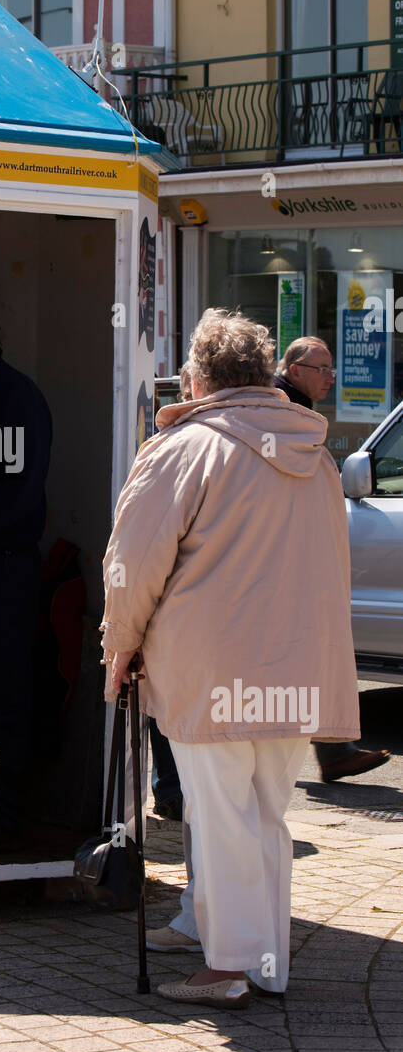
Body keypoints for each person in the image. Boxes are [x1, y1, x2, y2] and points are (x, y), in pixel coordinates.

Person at [101, 309, 360, 1009]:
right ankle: (264, 961)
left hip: (211, 667)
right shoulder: (317, 456)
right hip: (295, 667)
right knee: (267, 814)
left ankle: (229, 967)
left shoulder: (185, 447)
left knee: (219, 819)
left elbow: (132, 564)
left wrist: (119, 645)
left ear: (201, 375)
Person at [275, 337, 390, 785]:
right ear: (296, 367)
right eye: (323, 368)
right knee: (302, 653)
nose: (330, 377)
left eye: (332, 369)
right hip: (286, 556)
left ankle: (334, 751)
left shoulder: (297, 408)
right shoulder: (286, 409)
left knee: (310, 652)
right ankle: (325, 753)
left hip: (297, 553)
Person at [0, 329, 53, 848]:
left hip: (3, 570)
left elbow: (19, 495)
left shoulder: (15, 395)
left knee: (4, 693)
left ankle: (5, 826)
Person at [148, 360, 194, 823]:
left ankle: (172, 791)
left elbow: (140, 559)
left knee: (166, 709)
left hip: (180, 619)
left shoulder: (170, 449)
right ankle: (171, 790)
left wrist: (122, 639)